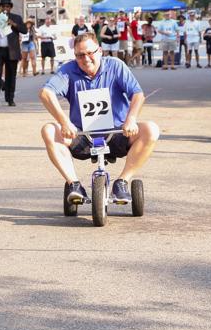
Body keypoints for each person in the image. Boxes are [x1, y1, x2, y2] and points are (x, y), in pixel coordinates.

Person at [39, 32, 160, 205]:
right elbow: (46, 93)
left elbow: (138, 94)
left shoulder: (116, 66)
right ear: (75, 56)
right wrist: (65, 122)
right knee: (49, 130)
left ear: (100, 51)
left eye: (90, 53)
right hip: (82, 137)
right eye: (80, 55)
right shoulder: (68, 71)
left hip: (118, 133)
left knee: (151, 129)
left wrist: (131, 119)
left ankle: (123, 182)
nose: (86, 59)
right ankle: (73, 184)